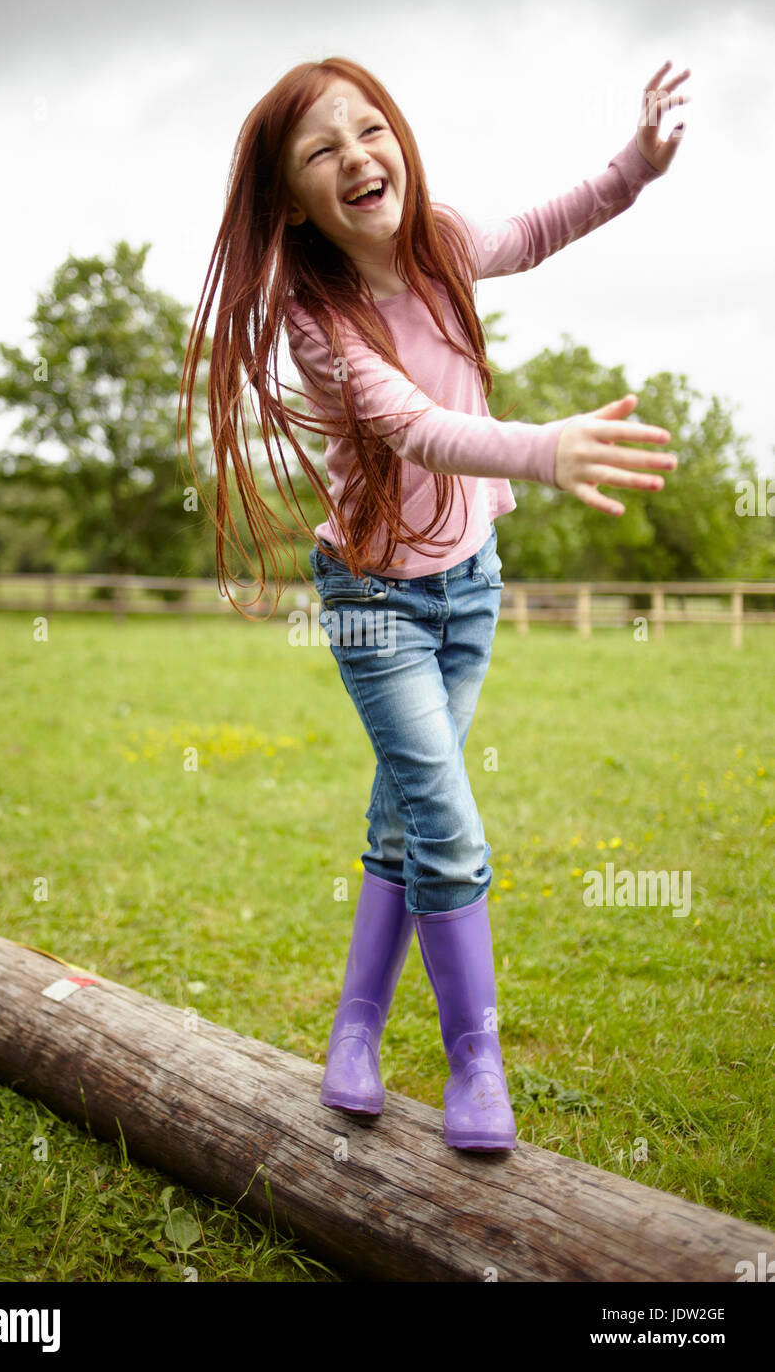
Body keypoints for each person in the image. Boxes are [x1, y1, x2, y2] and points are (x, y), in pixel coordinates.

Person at [178, 55, 690, 1151]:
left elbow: (549, 223)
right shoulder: (316, 319)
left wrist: (635, 166)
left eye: (370, 130)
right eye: (321, 150)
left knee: (405, 813)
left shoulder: (445, 243)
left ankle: (356, 1030)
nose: (358, 156)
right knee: (446, 825)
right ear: (292, 199)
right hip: (370, 597)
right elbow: (411, 423)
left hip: (467, 583)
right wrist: (542, 448)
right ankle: (475, 1064)